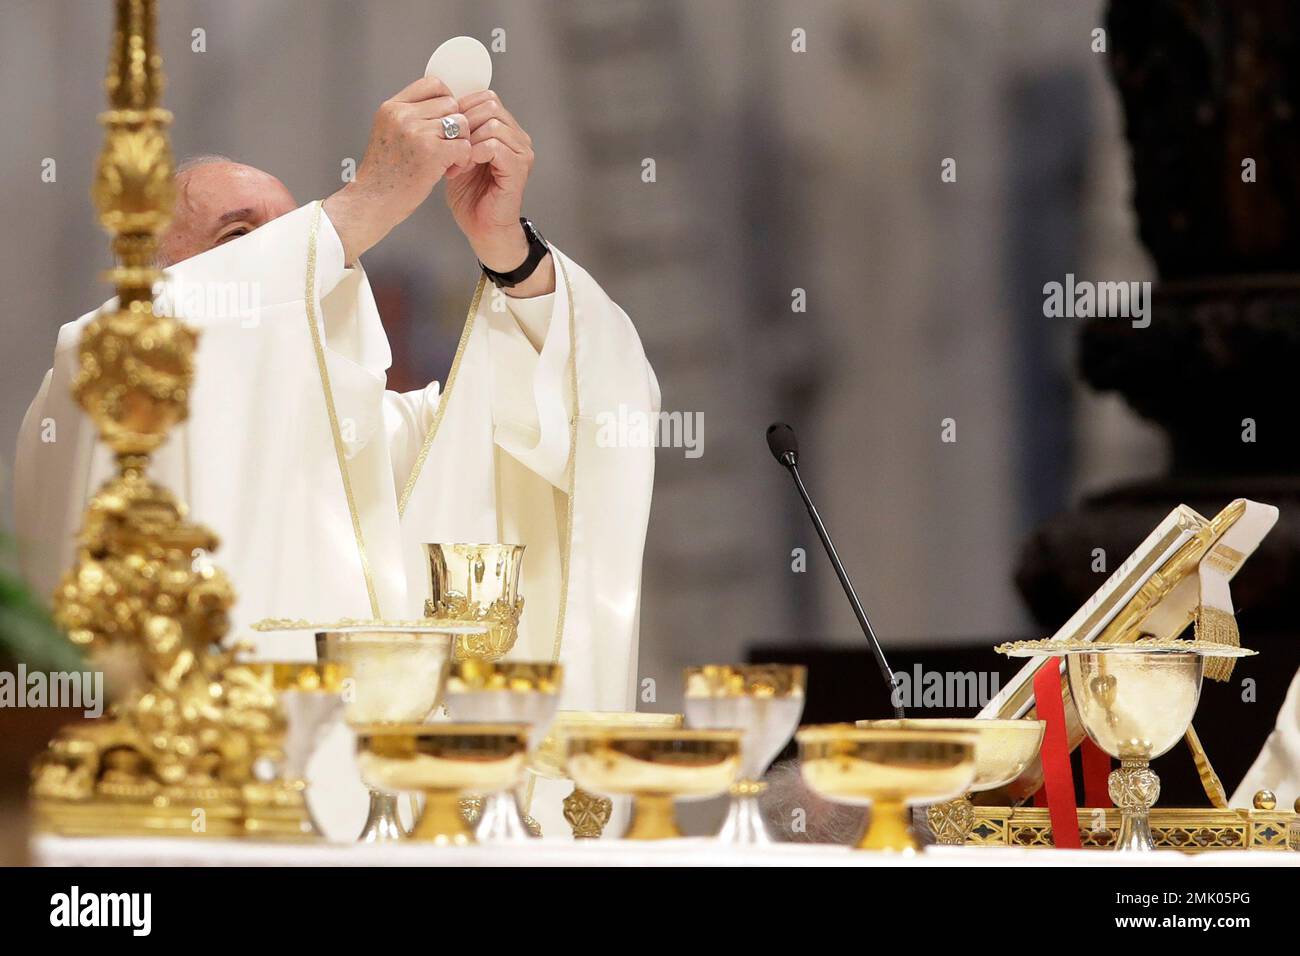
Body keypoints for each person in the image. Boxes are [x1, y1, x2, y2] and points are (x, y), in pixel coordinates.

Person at [14, 76, 659, 837]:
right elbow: (140, 337)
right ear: (151, 275)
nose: (301, 264)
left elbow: (593, 411)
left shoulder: (380, 439)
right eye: (239, 241)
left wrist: (510, 255)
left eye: (298, 239)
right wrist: (362, 205)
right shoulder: (94, 375)